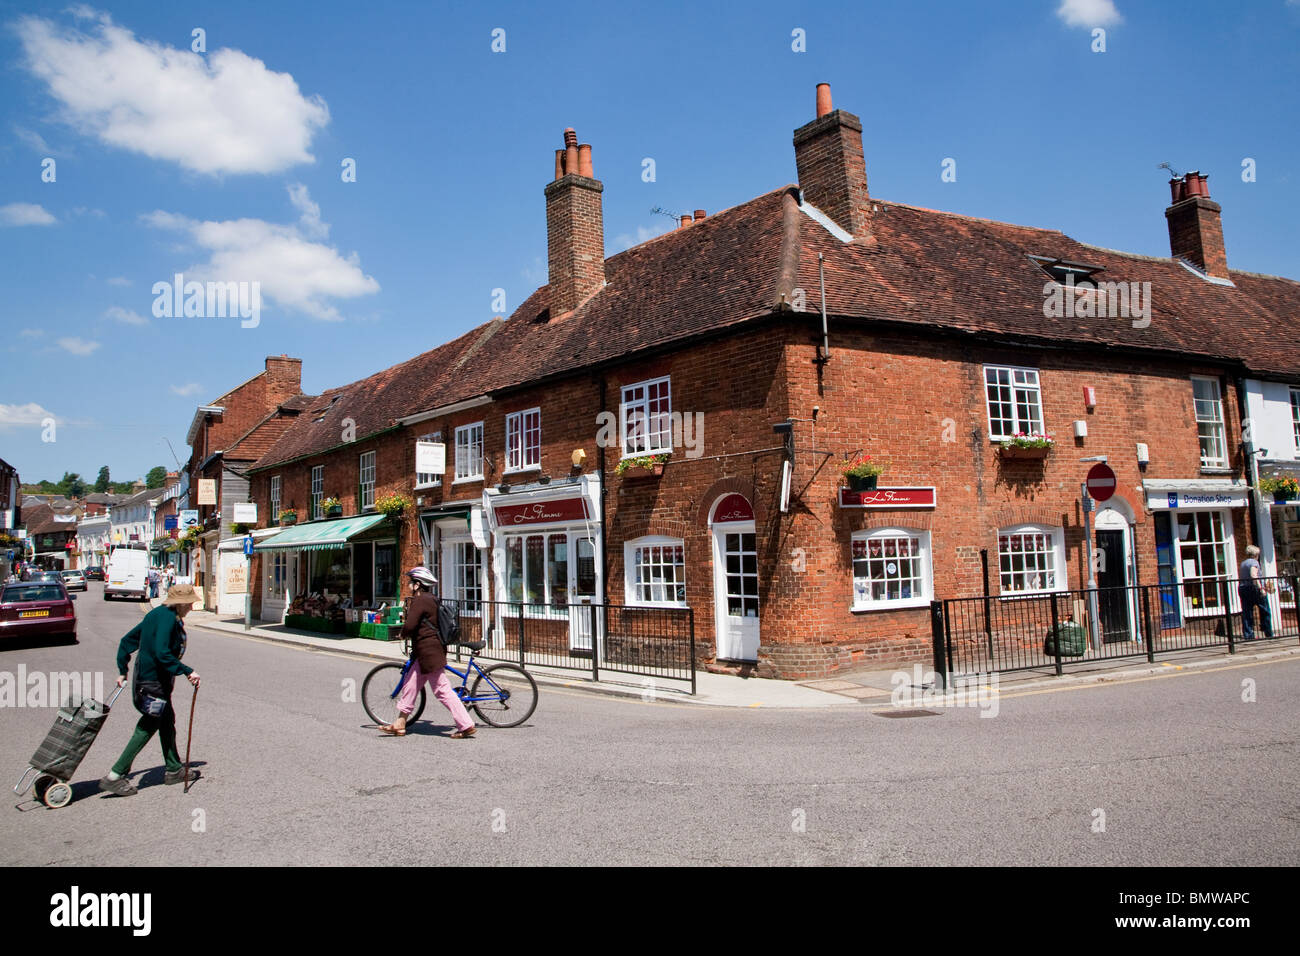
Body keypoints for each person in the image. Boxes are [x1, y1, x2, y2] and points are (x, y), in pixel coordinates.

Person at [99, 583, 203, 795]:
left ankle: (174, 769)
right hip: (152, 683)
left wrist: (123, 670)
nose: (192, 607)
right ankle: (115, 775)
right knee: (148, 725)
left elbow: (127, 641)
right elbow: (162, 653)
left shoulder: (156, 615)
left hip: (150, 681)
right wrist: (187, 671)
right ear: (180, 603)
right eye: (190, 603)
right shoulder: (165, 619)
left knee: (166, 720)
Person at [379, 566, 476, 738]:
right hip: (425, 653)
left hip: (429, 652)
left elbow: (410, 624)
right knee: (410, 685)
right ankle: (400, 723)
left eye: (411, 582)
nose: (409, 585)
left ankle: (466, 724)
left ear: (418, 584)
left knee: (441, 689)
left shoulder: (421, 600)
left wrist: (402, 633)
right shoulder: (431, 599)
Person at [1238, 545, 1274, 641]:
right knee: (1265, 610)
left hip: (1243, 588)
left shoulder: (1243, 563)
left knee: (1247, 612)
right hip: (1254, 589)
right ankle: (1268, 632)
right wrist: (1261, 588)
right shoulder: (1254, 562)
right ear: (1256, 554)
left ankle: (1248, 635)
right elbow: (1253, 575)